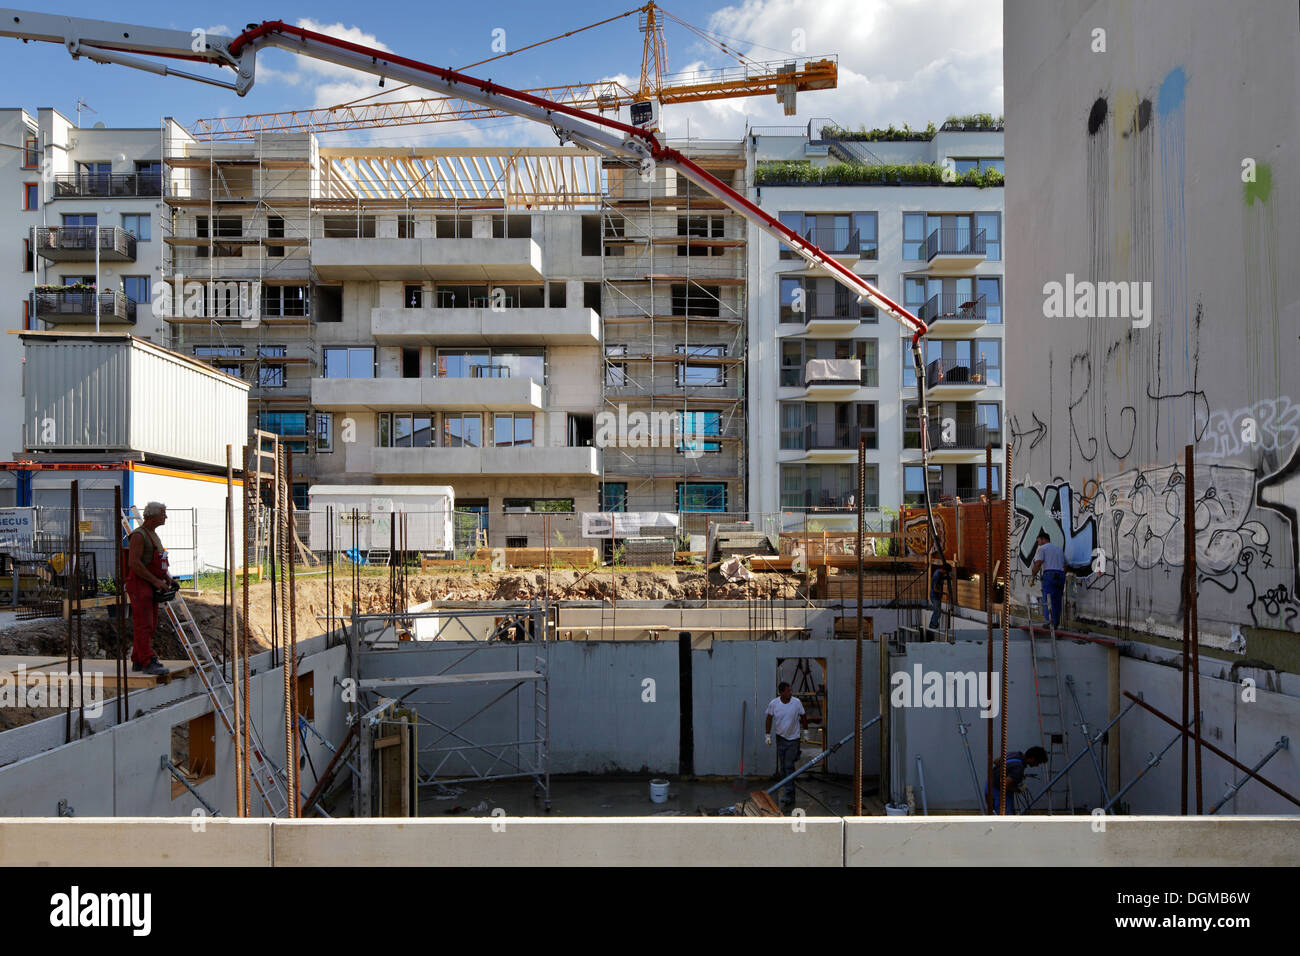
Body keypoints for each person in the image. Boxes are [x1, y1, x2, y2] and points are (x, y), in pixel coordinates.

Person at [126, 502, 175, 676]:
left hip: (149, 584)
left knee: (150, 624)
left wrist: (168, 579)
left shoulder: (152, 535)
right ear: (153, 516)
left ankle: (138, 659)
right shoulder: (139, 536)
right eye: (163, 514)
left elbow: (157, 561)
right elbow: (134, 563)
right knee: (144, 624)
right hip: (140, 585)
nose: (165, 517)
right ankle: (148, 661)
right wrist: (155, 581)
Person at [765, 681, 808, 806]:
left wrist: (806, 732)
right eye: (788, 691)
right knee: (783, 767)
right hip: (781, 738)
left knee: (788, 765)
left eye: (790, 691)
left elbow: (803, 716)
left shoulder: (796, 703)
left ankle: (789, 792)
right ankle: (789, 789)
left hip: (794, 739)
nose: (790, 693)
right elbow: (768, 718)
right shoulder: (774, 704)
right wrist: (767, 735)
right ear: (781, 692)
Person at [985, 746, 1047, 813]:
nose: (1037, 765)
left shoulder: (1015, 754)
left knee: (996, 816)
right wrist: (1017, 789)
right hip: (997, 792)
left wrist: (1010, 773)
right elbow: (1005, 784)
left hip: (988, 786)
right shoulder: (1019, 768)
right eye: (1038, 762)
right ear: (1032, 758)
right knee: (1005, 818)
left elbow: (996, 761)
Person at [1030, 530, 1067, 628]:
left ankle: (1049, 622)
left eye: (1038, 541)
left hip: (1049, 575)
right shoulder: (1059, 549)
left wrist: (1033, 576)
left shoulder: (1042, 549)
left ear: (1043, 539)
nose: (1038, 544)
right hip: (1061, 575)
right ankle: (1056, 623)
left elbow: (1038, 563)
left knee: (1047, 599)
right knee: (1057, 600)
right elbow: (1065, 565)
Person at [928, 557, 952, 629]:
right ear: (945, 570)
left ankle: (934, 623)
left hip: (935, 596)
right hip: (935, 596)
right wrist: (944, 593)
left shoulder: (938, 572)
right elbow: (935, 588)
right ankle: (933, 624)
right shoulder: (937, 575)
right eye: (946, 572)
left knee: (937, 611)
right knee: (937, 611)